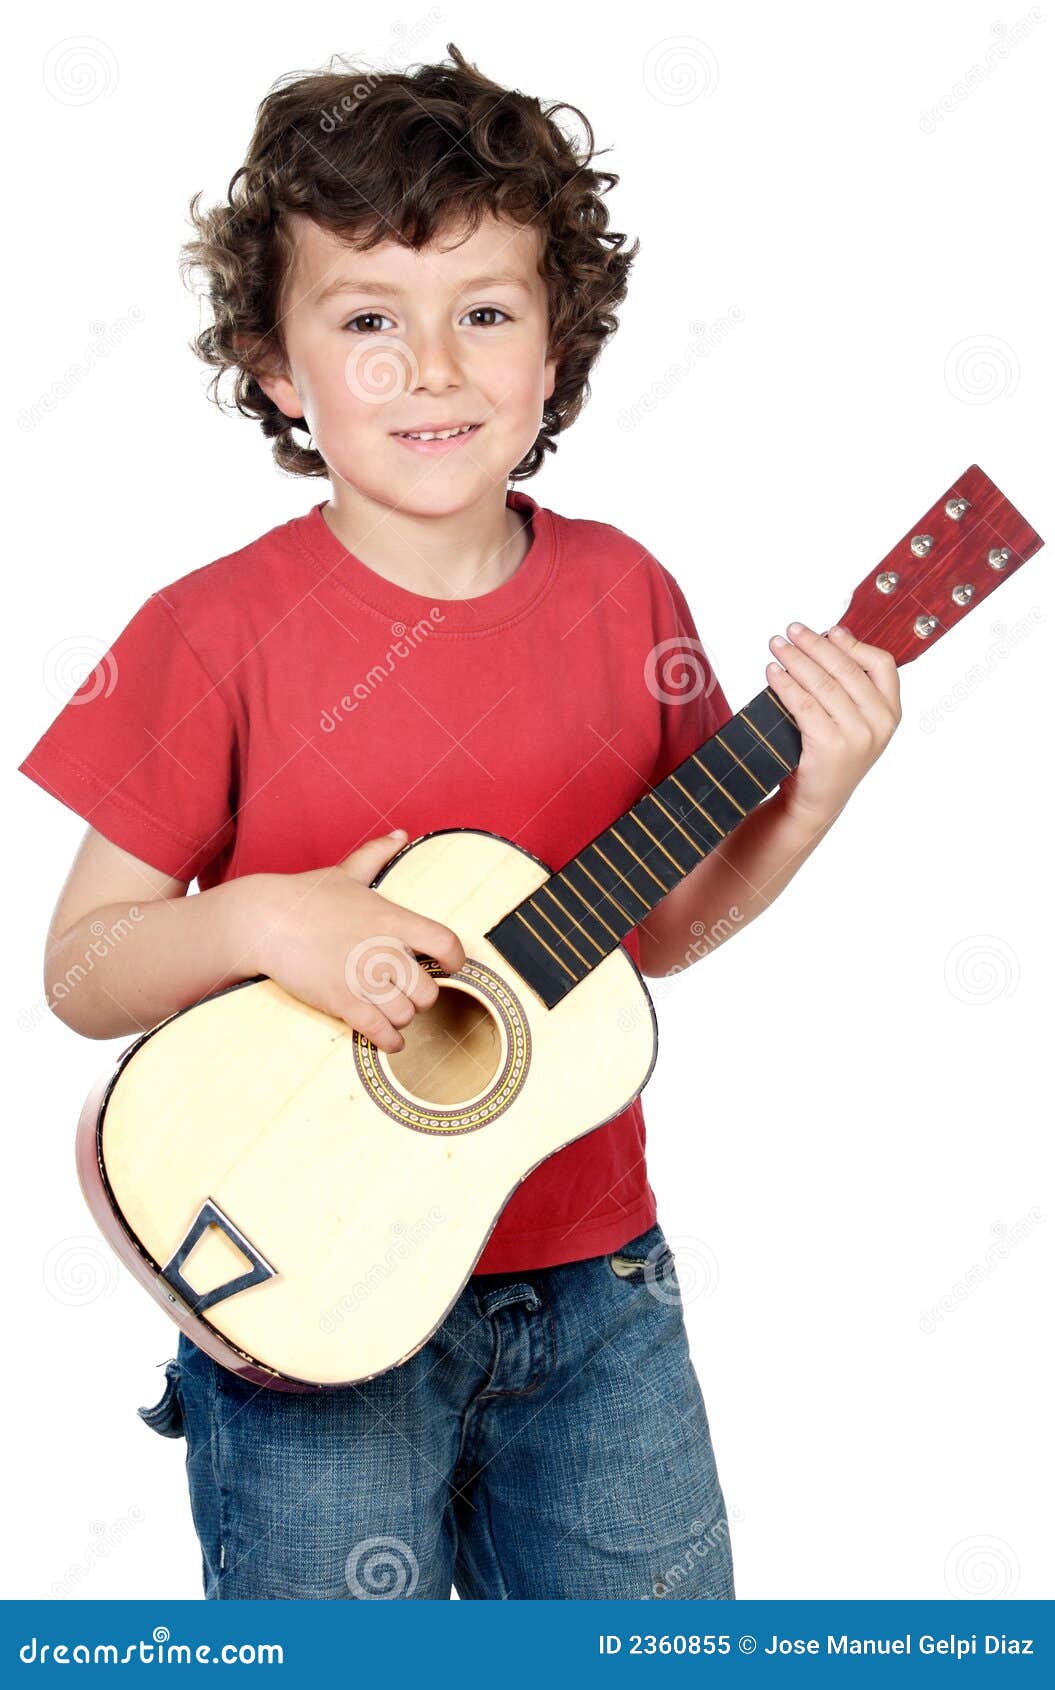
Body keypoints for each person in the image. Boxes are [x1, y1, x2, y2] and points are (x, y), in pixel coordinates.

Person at [18, 44, 900, 1600]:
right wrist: (263, 919)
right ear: (278, 368)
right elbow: (82, 970)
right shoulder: (212, 629)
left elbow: (656, 943)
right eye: (368, 320)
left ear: (557, 352)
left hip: (597, 1288)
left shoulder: (627, 594)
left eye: (485, 313)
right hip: (310, 1309)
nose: (432, 368)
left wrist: (812, 786)